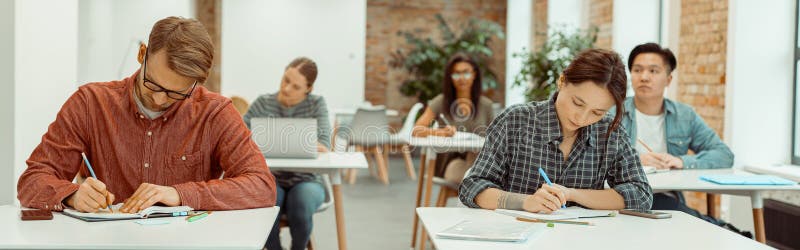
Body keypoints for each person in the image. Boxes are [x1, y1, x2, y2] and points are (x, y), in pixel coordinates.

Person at [17, 16, 276, 214]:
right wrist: (72, 195)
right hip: (109, 242)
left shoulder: (215, 112)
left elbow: (262, 186)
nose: (161, 99)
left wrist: (180, 194)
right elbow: (31, 181)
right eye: (153, 84)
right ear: (142, 54)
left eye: (177, 93)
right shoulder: (89, 103)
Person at [460, 49, 653, 212]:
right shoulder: (515, 121)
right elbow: (473, 186)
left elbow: (641, 195)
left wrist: (572, 194)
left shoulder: (610, 131)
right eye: (577, 103)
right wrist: (525, 202)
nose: (582, 118)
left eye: (597, 112)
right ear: (562, 81)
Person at [612, 43, 746, 236]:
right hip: (622, 194)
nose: (644, 77)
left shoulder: (684, 115)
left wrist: (681, 161)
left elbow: (723, 154)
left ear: (669, 79)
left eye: (653, 71)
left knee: (665, 206)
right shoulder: (613, 112)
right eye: (637, 70)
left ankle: (720, 230)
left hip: (666, 194)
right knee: (665, 209)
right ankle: (722, 229)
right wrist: (635, 160)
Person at [243, 57, 329, 250]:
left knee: (301, 203)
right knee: (267, 205)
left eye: (296, 86)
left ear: (308, 89)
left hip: (307, 180)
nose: (287, 88)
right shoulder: (263, 103)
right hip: (269, 177)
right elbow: (238, 136)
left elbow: (324, 144)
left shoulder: (316, 104)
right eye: (285, 80)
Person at [412, 53, 494, 184]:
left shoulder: (486, 105)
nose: (461, 78)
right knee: (479, 180)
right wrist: (440, 132)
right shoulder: (440, 102)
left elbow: (495, 139)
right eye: (456, 74)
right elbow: (416, 130)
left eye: (466, 73)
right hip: (449, 164)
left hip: (477, 162)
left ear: (474, 75)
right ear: (450, 78)